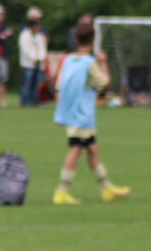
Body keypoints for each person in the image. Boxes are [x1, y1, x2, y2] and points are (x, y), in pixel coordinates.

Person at [51, 23, 130, 205]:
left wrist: (60, 112)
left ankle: (106, 188)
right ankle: (61, 191)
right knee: (76, 148)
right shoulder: (89, 63)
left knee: (92, 150)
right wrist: (103, 62)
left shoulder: (68, 59)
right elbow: (103, 82)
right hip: (81, 115)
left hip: (73, 112)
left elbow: (59, 86)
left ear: (75, 40)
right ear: (93, 41)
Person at [18, 7, 46, 107]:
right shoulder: (24, 35)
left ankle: (36, 101)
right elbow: (25, 50)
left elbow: (43, 48)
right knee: (26, 84)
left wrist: (40, 58)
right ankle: (24, 102)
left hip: (38, 64)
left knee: (38, 84)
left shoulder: (39, 35)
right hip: (28, 64)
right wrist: (34, 58)